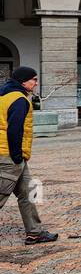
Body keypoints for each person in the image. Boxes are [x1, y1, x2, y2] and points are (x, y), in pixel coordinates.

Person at [0, 66, 58, 245]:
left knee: (30, 192)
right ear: (23, 81)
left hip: (15, 156)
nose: (36, 82)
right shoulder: (19, 100)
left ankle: (35, 232)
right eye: (34, 79)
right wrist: (17, 156)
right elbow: (14, 131)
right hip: (9, 156)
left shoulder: (4, 95)